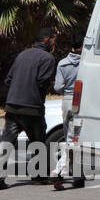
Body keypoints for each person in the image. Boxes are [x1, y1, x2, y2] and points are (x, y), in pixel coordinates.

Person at [1, 28, 58, 188]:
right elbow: (43, 83)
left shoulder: (22, 54)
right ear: (47, 40)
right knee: (38, 142)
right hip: (32, 108)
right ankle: (39, 177)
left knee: (7, 143)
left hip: (12, 106)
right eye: (54, 40)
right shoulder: (48, 58)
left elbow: (9, 79)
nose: (55, 44)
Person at [52, 33, 85, 190]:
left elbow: (57, 87)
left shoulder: (62, 63)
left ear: (72, 47)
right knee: (77, 139)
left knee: (69, 137)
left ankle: (78, 175)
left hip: (67, 101)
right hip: (82, 101)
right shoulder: (87, 63)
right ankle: (60, 171)